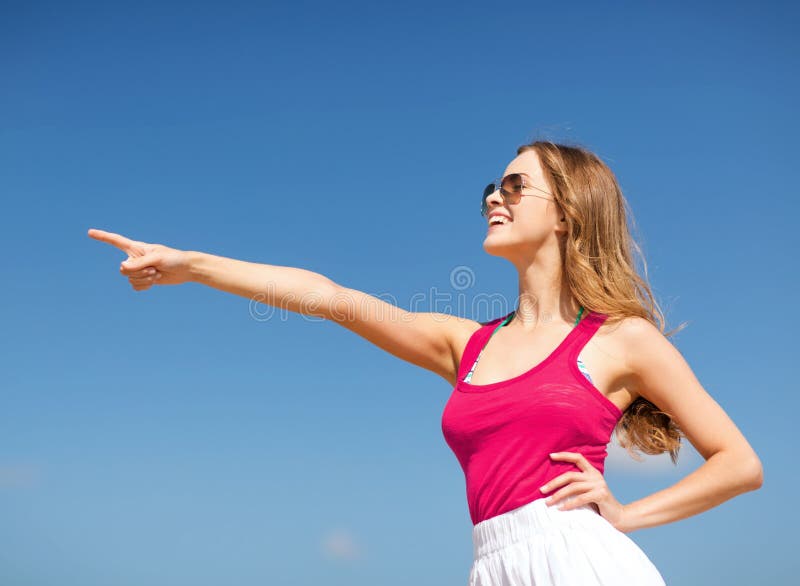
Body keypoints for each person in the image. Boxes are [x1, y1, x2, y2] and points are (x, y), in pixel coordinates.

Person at [88, 140, 763, 585]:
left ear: (567, 213)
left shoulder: (621, 340)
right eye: (490, 189)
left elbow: (740, 463)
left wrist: (625, 514)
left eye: (514, 185)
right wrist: (194, 265)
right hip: (489, 564)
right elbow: (334, 300)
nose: (494, 197)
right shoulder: (464, 345)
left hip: (578, 560)